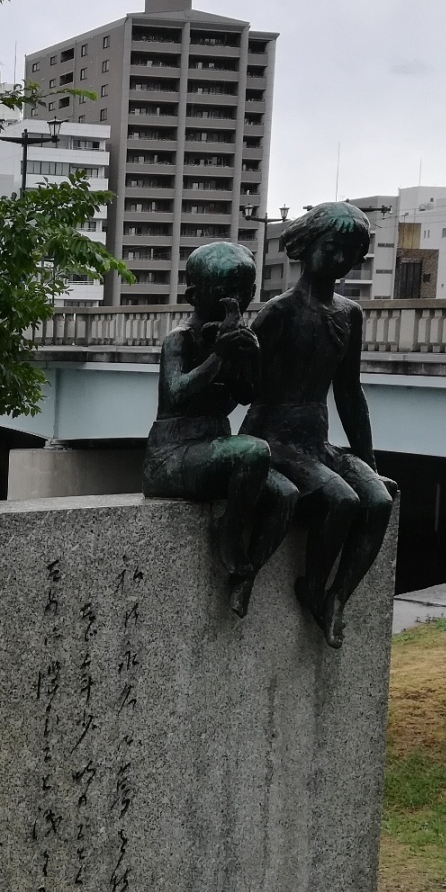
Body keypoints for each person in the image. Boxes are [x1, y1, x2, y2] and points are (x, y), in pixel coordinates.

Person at [242, 202, 396, 647]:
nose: (342, 260)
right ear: (307, 247)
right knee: (341, 501)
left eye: (352, 251)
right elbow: (249, 386)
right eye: (333, 247)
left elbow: (349, 391)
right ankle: (311, 585)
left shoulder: (350, 314)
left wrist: (365, 457)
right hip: (275, 436)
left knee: (379, 500)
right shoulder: (280, 311)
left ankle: (336, 597)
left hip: (317, 439)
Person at [142, 241, 296, 617]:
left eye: (244, 295)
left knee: (286, 495)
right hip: (171, 456)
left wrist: (251, 358)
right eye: (226, 295)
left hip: (211, 447)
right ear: (194, 294)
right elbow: (176, 393)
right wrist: (219, 355)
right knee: (254, 451)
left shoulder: (235, 340)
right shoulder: (180, 339)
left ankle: (248, 574)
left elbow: (247, 398)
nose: (236, 305)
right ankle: (229, 537)